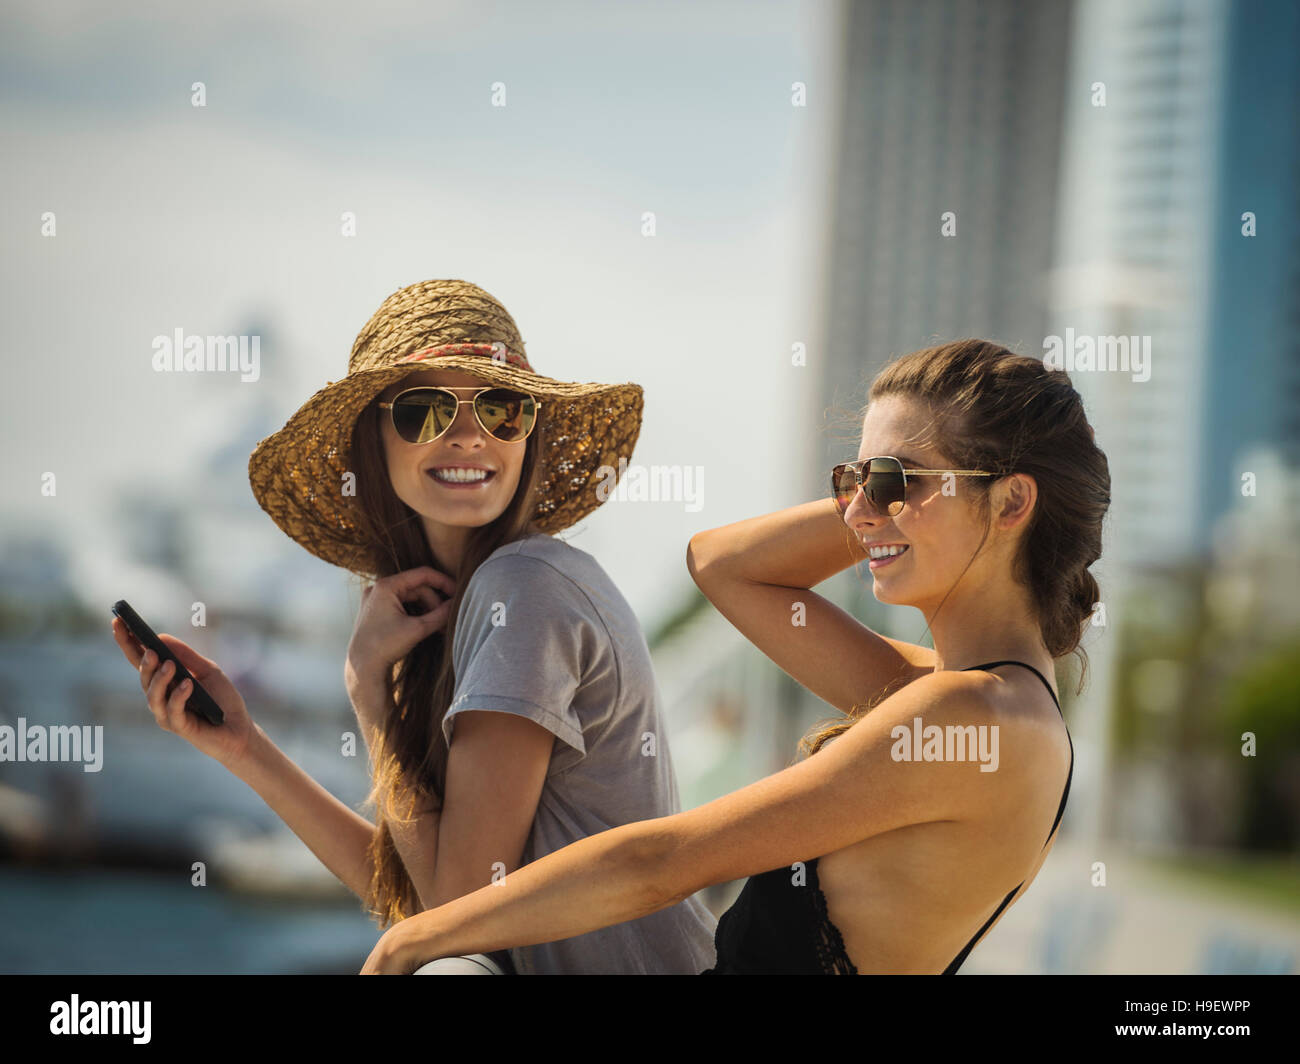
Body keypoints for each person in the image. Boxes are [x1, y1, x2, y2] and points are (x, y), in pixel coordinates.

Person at [358, 338, 1110, 975]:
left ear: (1011, 504)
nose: (856, 510)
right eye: (851, 482)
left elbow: (662, 862)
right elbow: (721, 565)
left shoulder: (965, 716)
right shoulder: (966, 700)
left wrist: (416, 938)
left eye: (893, 482)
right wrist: (896, 505)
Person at [110, 278, 718, 975]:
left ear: (528, 433)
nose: (469, 436)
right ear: (375, 441)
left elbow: (454, 913)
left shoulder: (524, 588)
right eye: (424, 411)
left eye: (500, 408)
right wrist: (246, 750)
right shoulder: (453, 612)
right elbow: (413, 898)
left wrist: (369, 692)